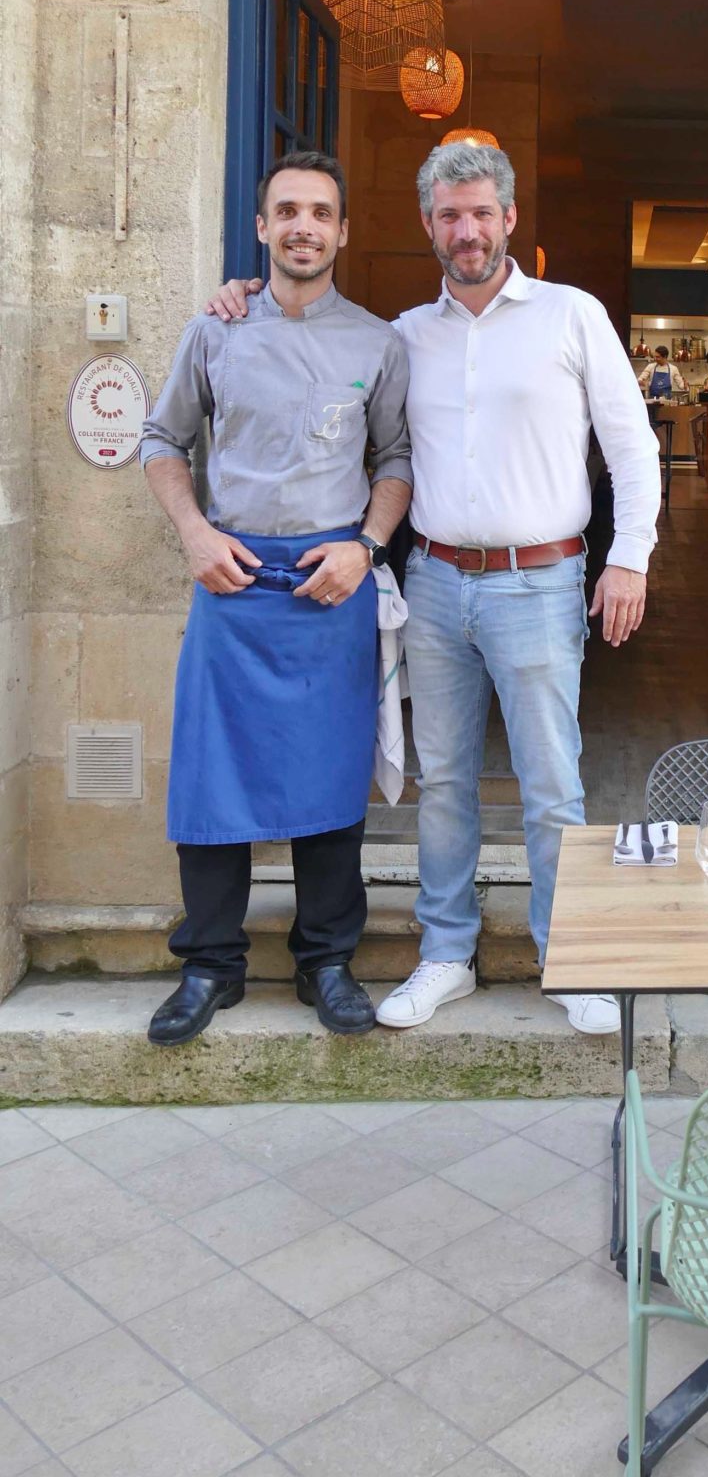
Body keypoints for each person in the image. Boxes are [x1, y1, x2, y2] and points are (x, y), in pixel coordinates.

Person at [204, 140, 661, 1036]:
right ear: (428, 225)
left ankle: (566, 957)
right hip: (436, 582)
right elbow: (357, 416)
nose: (467, 230)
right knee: (443, 779)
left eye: (482, 213)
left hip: (542, 580)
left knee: (551, 780)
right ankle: (447, 952)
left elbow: (633, 443)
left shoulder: (572, 316)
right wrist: (243, 297)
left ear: (509, 220)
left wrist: (630, 556)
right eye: (450, 216)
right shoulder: (403, 334)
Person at [141, 151, 412, 1044]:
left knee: (331, 779)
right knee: (210, 779)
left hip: (330, 586)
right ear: (261, 228)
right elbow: (162, 439)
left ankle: (326, 962)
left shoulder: (378, 341)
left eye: (321, 212)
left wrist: (365, 547)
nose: (304, 226)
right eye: (286, 211)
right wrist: (194, 533)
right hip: (231, 576)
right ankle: (210, 966)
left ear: (342, 231)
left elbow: (396, 463)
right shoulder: (214, 331)